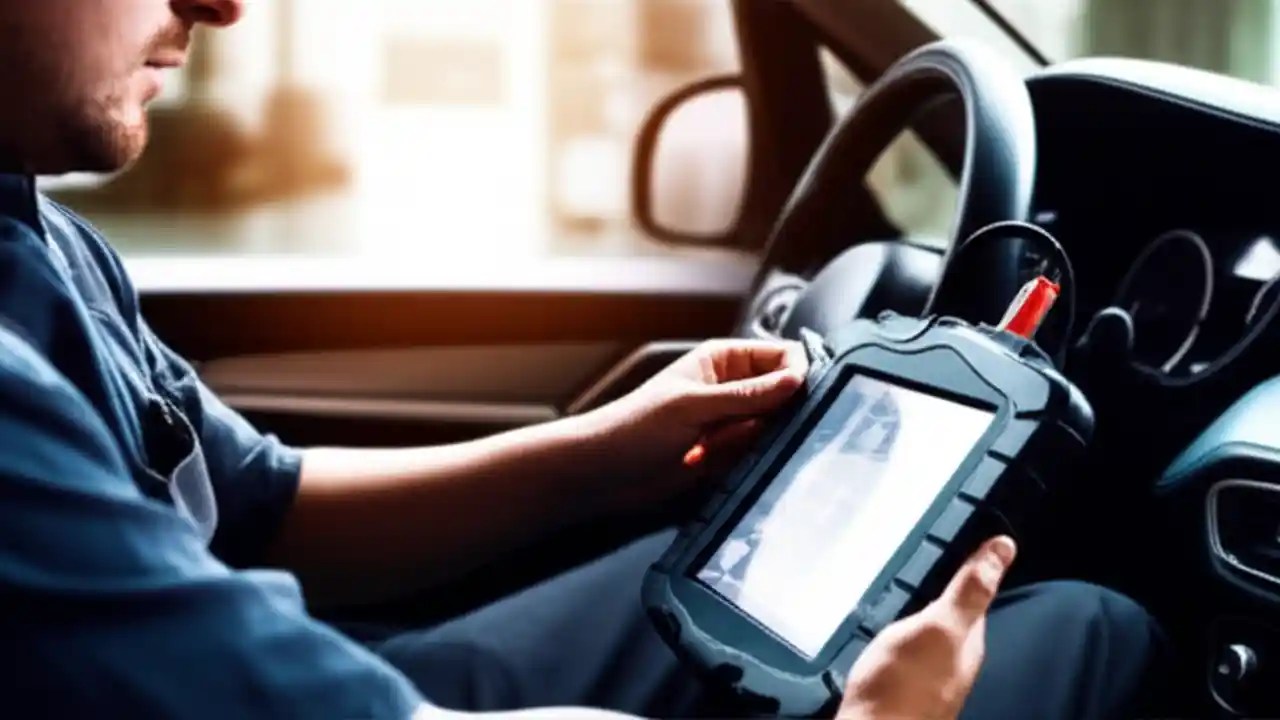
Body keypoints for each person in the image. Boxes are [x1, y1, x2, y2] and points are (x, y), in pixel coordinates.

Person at [0, 1, 1165, 718]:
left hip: (260, 665)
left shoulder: (39, 241)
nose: (221, 3)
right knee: (1089, 627)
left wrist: (599, 458)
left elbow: (258, 509)